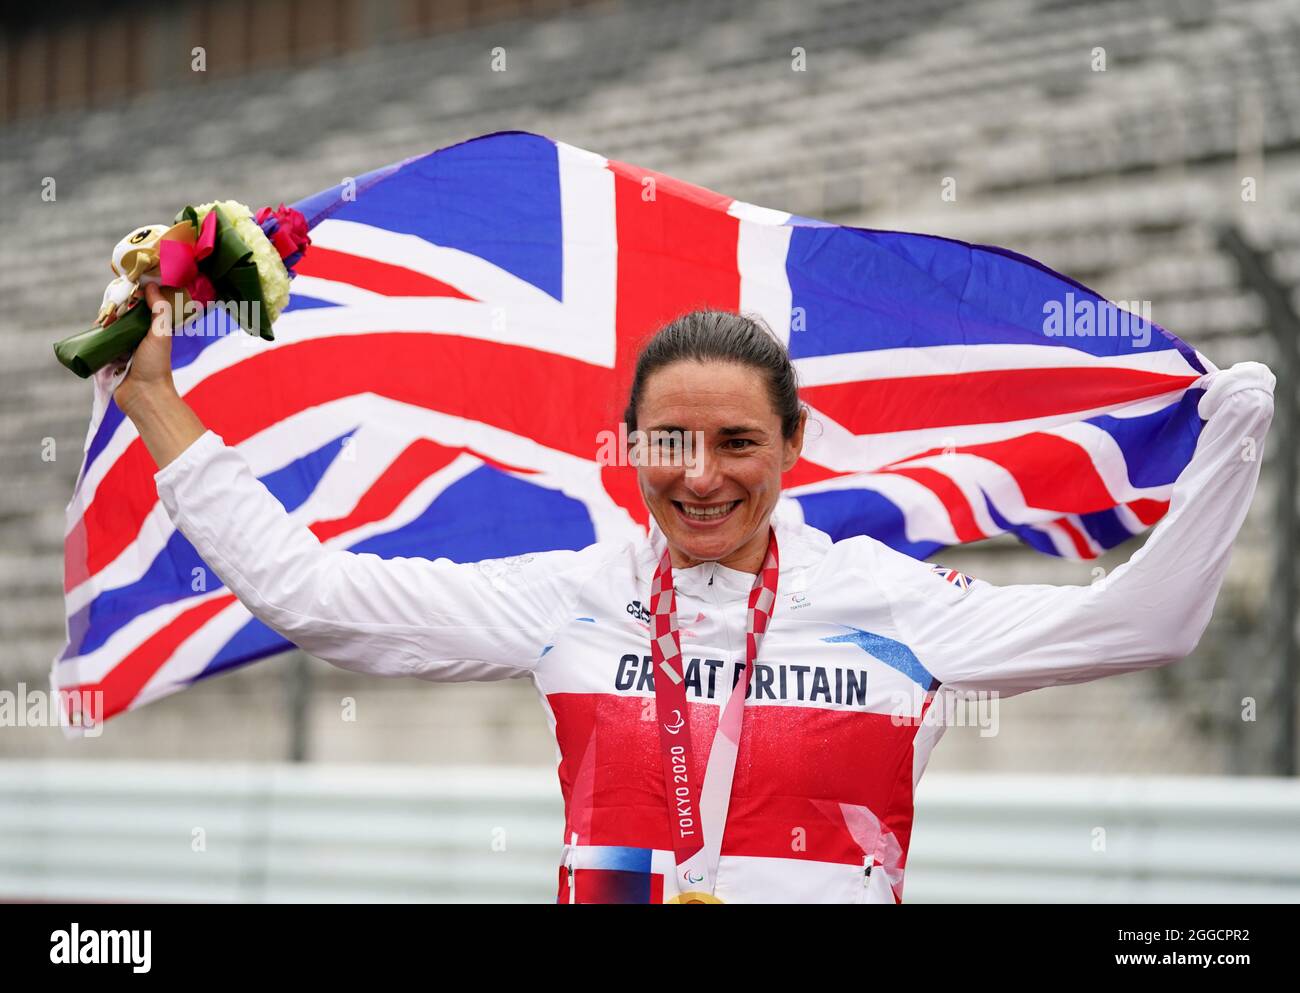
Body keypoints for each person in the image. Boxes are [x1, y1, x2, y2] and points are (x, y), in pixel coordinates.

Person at [118, 283, 1276, 904]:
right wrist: (155, 401)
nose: (702, 474)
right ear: (625, 446)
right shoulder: (574, 590)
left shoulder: (888, 598)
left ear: (793, 443)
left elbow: (1144, 620)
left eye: (736, 441)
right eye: (669, 440)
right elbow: (313, 596)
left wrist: (1230, 442)